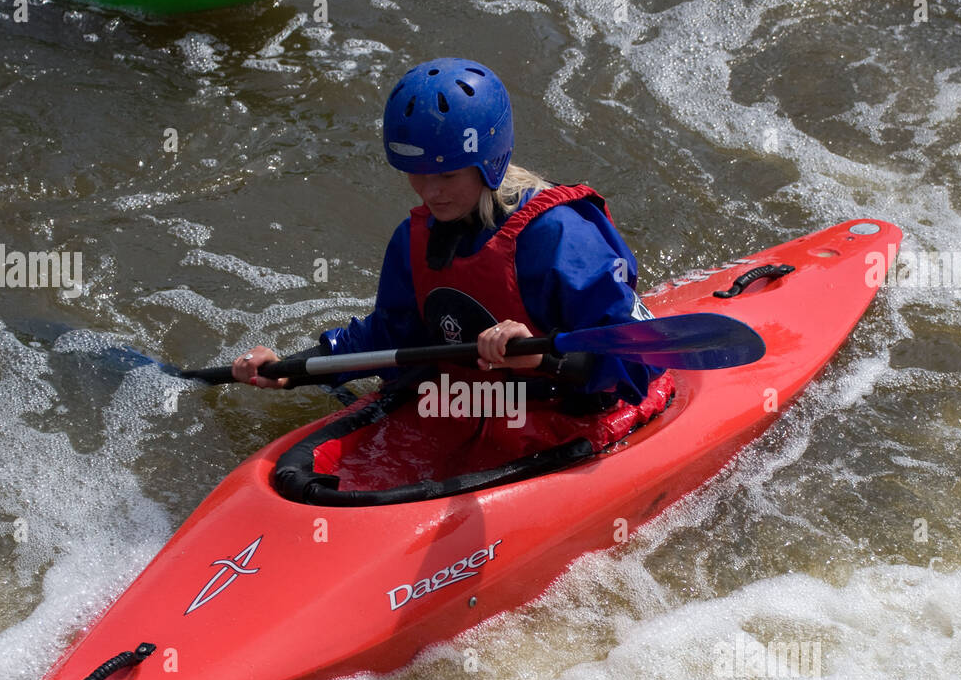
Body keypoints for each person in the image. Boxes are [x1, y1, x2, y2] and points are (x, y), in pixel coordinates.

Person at [233, 57, 674, 482]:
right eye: (418, 173)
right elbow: (390, 336)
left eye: (447, 175)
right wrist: (296, 368)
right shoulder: (416, 237)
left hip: (575, 415)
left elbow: (637, 359)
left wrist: (540, 354)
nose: (430, 192)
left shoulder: (560, 238)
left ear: (490, 161)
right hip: (469, 406)